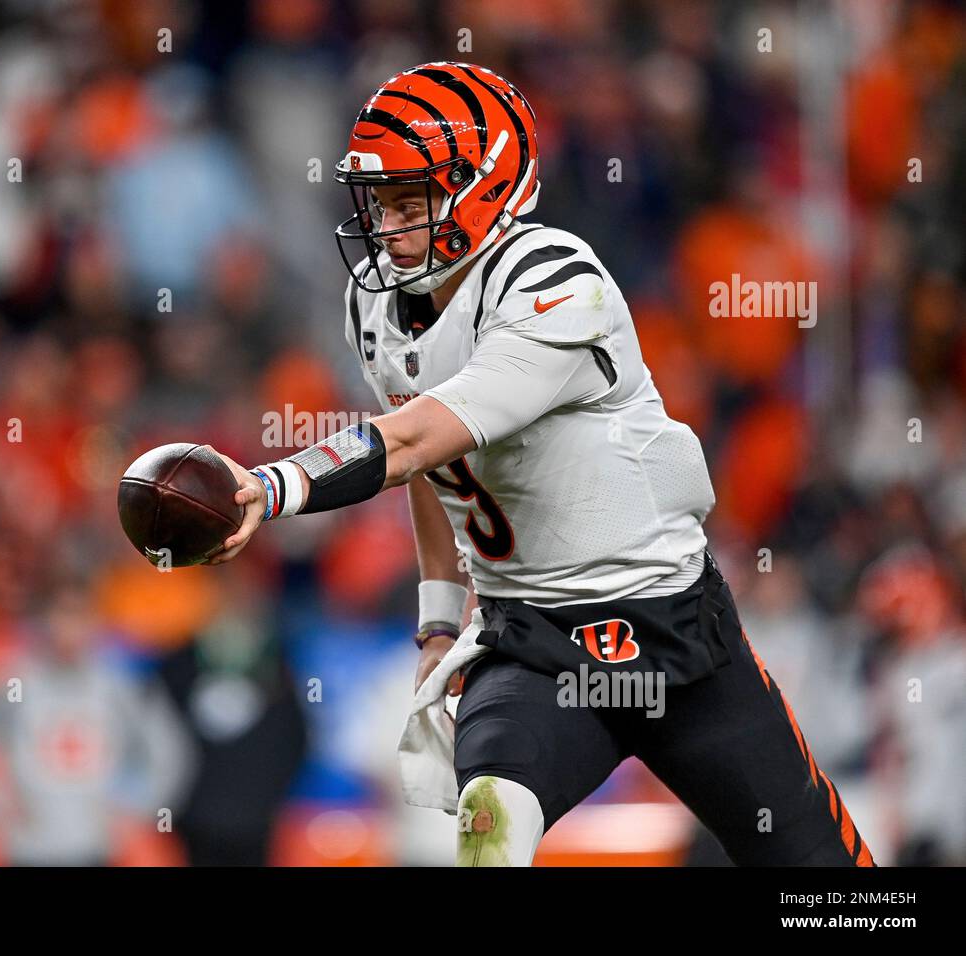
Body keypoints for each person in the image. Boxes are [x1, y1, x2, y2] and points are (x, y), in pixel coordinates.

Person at [204, 61, 874, 867]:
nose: (387, 229)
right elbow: (435, 466)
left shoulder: (555, 280)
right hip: (533, 640)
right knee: (491, 815)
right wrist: (439, 619)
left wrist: (271, 485)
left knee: (828, 884)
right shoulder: (379, 303)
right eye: (379, 203)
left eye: (410, 202)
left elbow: (419, 436)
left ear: (485, 188)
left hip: (673, 632)